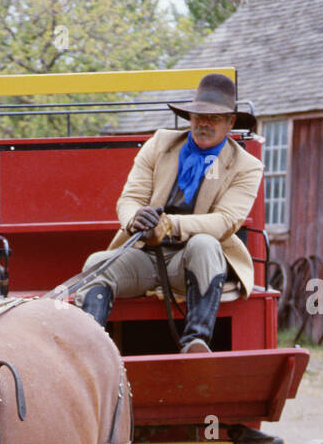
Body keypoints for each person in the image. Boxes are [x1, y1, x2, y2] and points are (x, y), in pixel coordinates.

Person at [77, 73, 263, 353]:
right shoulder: (159, 144)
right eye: (198, 115)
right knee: (96, 263)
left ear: (230, 122)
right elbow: (130, 198)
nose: (203, 123)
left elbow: (225, 221)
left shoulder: (247, 166)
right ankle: (90, 350)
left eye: (213, 118)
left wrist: (169, 225)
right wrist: (135, 218)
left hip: (194, 262)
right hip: (145, 254)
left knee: (204, 243)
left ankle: (195, 341)